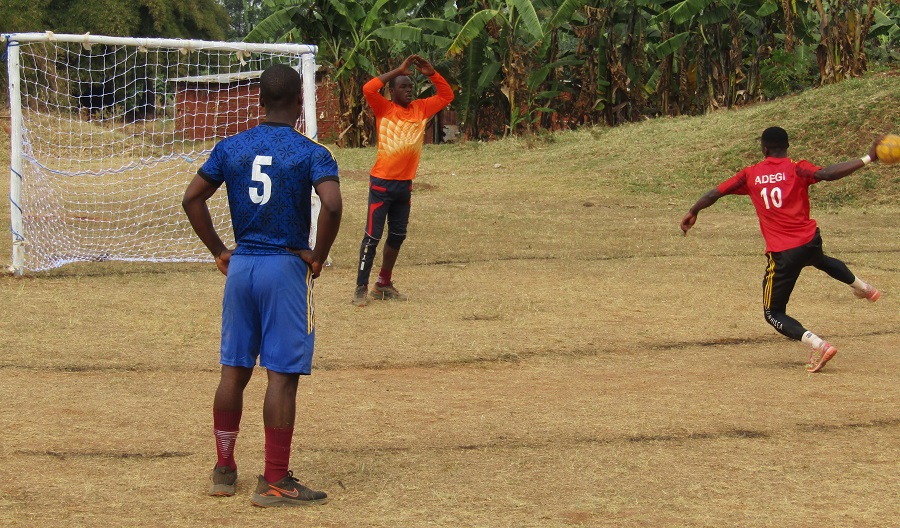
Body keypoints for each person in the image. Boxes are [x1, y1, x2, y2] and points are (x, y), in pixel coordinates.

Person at [182, 63, 342, 507]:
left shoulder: (231, 146)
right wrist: (318, 255)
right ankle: (274, 480)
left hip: (243, 268)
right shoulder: (312, 151)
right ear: (299, 102)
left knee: (233, 371)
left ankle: (223, 469)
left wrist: (220, 250)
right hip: (284, 268)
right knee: (281, 378)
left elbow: (191, 198)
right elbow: (332, 205)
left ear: (259, 100)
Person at [680, 127, 883, 373]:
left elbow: (715, 193)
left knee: (773, 313)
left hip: (784, 253)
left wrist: (694, 211)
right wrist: (868, 157)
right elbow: (828, 174)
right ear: (786, 147)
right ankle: (864, 288)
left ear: (764, 148)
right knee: (819, 259)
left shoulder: (751, 174)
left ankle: (819, 345)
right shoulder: (797, 168)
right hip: (809, 241)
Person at [353, 54, 454, 306]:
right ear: (392, 91)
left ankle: (383, 284)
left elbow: (447, 96)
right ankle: (361, 288)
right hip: (381, 184)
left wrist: (432, 74)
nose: (409, 90)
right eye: (403, 86)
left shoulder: (421, 108)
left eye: (411, 87)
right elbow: (368, 88)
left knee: (397, 236)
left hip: (404, 185)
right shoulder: (384, 108)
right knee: (372, 238)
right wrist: (397, 69)